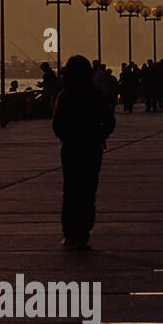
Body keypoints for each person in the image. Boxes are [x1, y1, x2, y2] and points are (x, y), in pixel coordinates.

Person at [51, 55, 115, 250]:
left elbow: (56, 124)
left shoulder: (65, 95)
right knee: (88, 190)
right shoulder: (95, 94)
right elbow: (110, 121)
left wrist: (66, 136)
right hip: (92, 148)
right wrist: (99, 135)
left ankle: (69, 232)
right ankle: (83, 232)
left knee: (70, 189)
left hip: (71, 148)